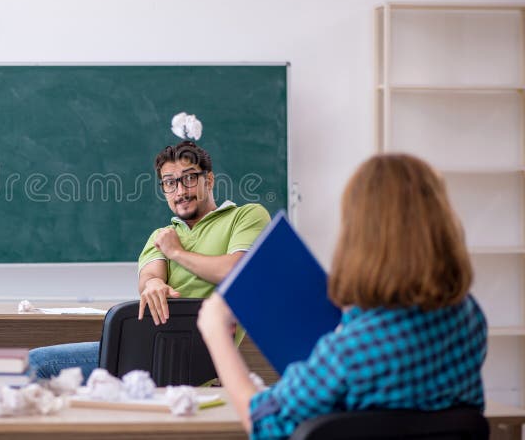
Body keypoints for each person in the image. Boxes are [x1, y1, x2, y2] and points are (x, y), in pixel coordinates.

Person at [197, 153, 487, 439]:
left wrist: (215, 331)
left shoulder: (348, 355)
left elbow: (263, 425)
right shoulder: (469, 319)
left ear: (360, 236)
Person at [28, 140, 270, 381]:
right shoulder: (161, 235)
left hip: (199, 356)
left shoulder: (245, 216)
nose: (180, 191)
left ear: (209, 180)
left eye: (189, 178)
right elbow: (150, 277)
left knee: (34, 364)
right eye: (169, 183)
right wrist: (153, 285)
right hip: (145, 344)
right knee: (31, 366)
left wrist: (176, 252)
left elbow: (237, 271)